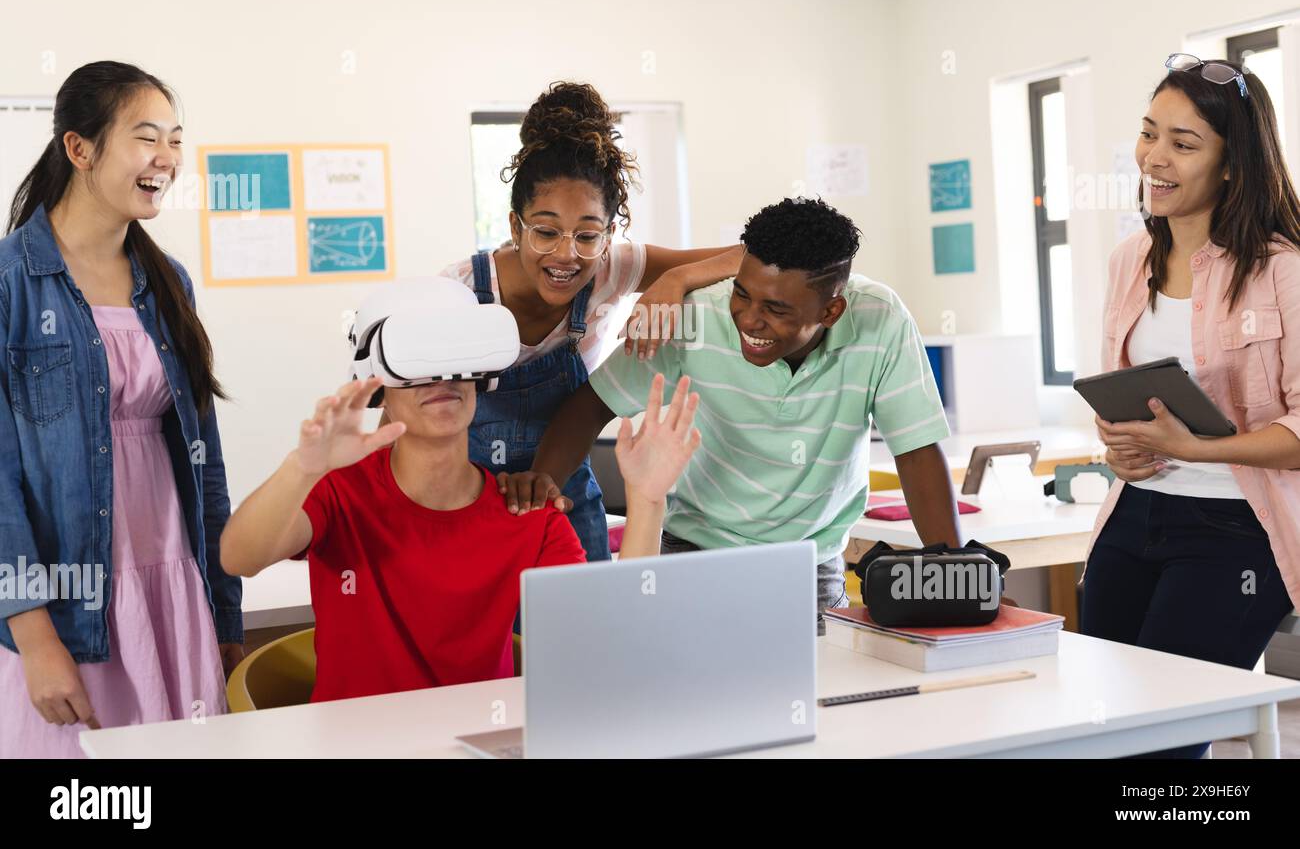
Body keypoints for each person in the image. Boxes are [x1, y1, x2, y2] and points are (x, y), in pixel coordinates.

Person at [219, 279, 700, 702]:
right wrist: (302, 467)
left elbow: (614, 636)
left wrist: (647, 500)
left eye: (456, 361)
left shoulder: (527, 513)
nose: (441, 380)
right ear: (378, 382)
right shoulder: (341, 492)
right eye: (416, 362)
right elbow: (240, 558)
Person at [503, 196, 962, 633]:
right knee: (691, 701)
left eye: (776, 310)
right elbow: (590, 404)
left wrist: (957, 579)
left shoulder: (881, 320)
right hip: (694, 555)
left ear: (832, 310)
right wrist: (544, 478)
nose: (748, 319)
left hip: (809, 565)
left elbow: (917, 450)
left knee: (823, 705)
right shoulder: (697, 316)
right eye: (741, 294)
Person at [0, 62, 240, 757]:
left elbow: (206, 461)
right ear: (80, 149)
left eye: (175, 140)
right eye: (145, 138)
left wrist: (224, 608)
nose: (166, 159)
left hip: (172, 588)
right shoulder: (12, 284)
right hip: (67, 606)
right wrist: (33, 633)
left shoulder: (169, 283)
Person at [1085, 55, 1300, 758]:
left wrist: (1195, 448)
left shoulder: (1284, 270)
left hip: (1236, 530)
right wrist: (1119, 439)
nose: (1155, 157)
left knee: (1162, 744)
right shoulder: (1127, 260)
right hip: (1133, 514)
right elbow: (1120, 389)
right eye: (1150, 134)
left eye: (1184, 143)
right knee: (1100, 731)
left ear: (1232, 164)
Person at [440, 81, 742, 562]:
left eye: (587, 234)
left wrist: (678, 278)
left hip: (566, 497)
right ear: (516, 226)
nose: (566, 254)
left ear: (609, 234)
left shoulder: (614, 269)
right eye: (545, 231)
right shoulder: (457, 294)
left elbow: (755, 256)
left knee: (591, 626)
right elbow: (404, 416)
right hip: (468, 499)